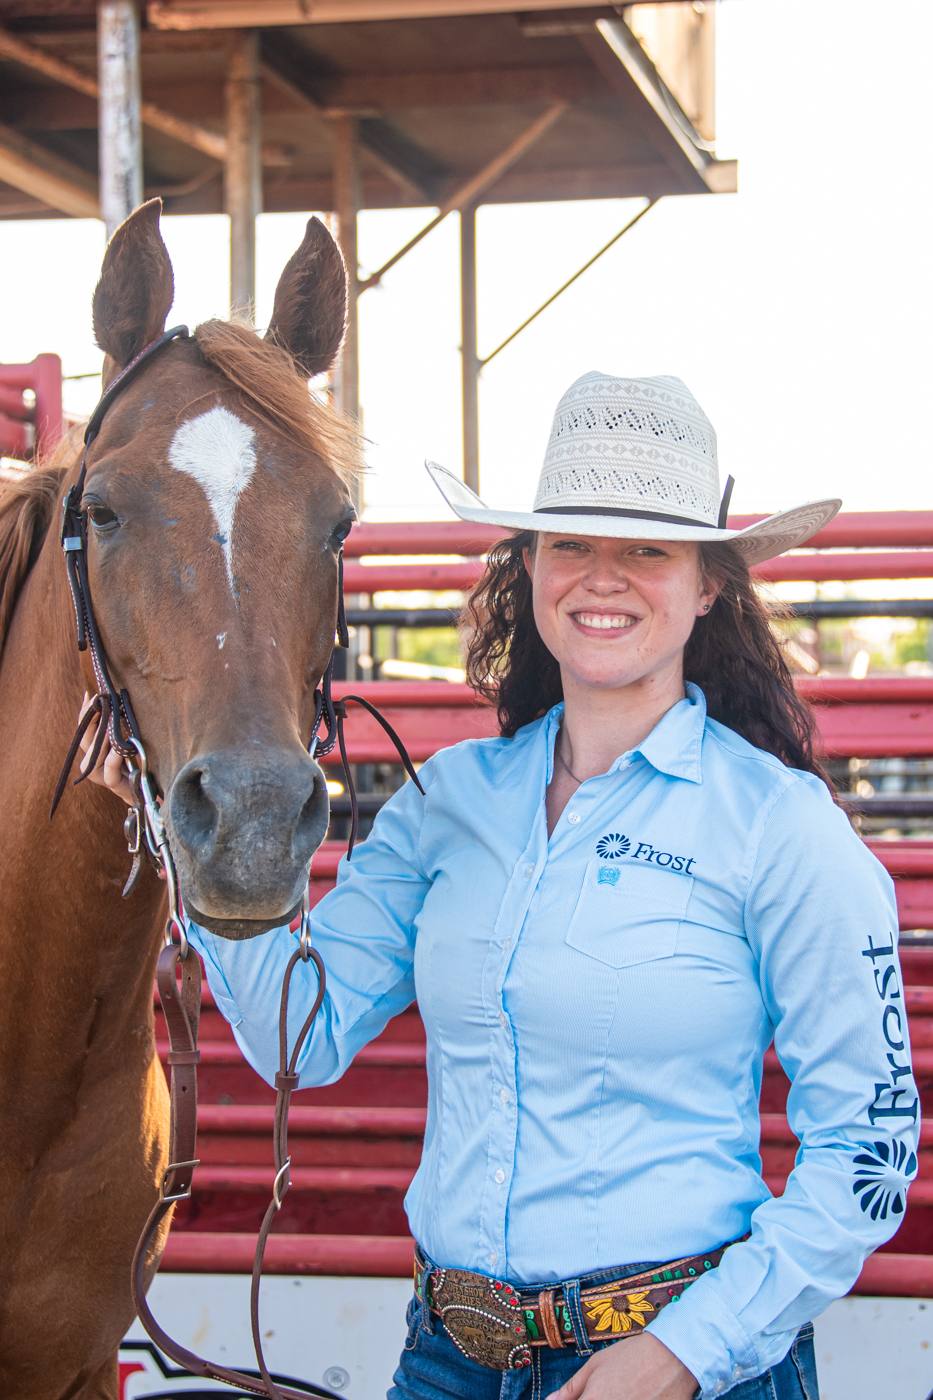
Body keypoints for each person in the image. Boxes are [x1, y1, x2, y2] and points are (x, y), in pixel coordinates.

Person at [84, 372, 919, 1400]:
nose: (602, 577)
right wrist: (190, 816)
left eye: (647, 548)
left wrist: (688, 1351)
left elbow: (870, 1147)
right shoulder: (451, 801)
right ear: (529, 565)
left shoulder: (781, 829)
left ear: (707, 583)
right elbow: (296, 1034)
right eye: (571, 542)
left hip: (678, 1357)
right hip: (449, 1354)